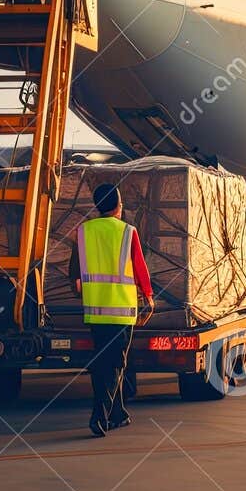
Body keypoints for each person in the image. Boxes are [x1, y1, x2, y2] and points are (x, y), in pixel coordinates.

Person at [69, 183, 154, 436]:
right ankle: (99, 415)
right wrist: (149, 297)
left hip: (95, 310)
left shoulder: (84, 231)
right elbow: (139, 267)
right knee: (115, 363)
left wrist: (81, 290)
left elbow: (75, 271)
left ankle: (118, 414)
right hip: (121, 310)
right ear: (118, 206)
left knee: (105, 361)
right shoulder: (127, 232)